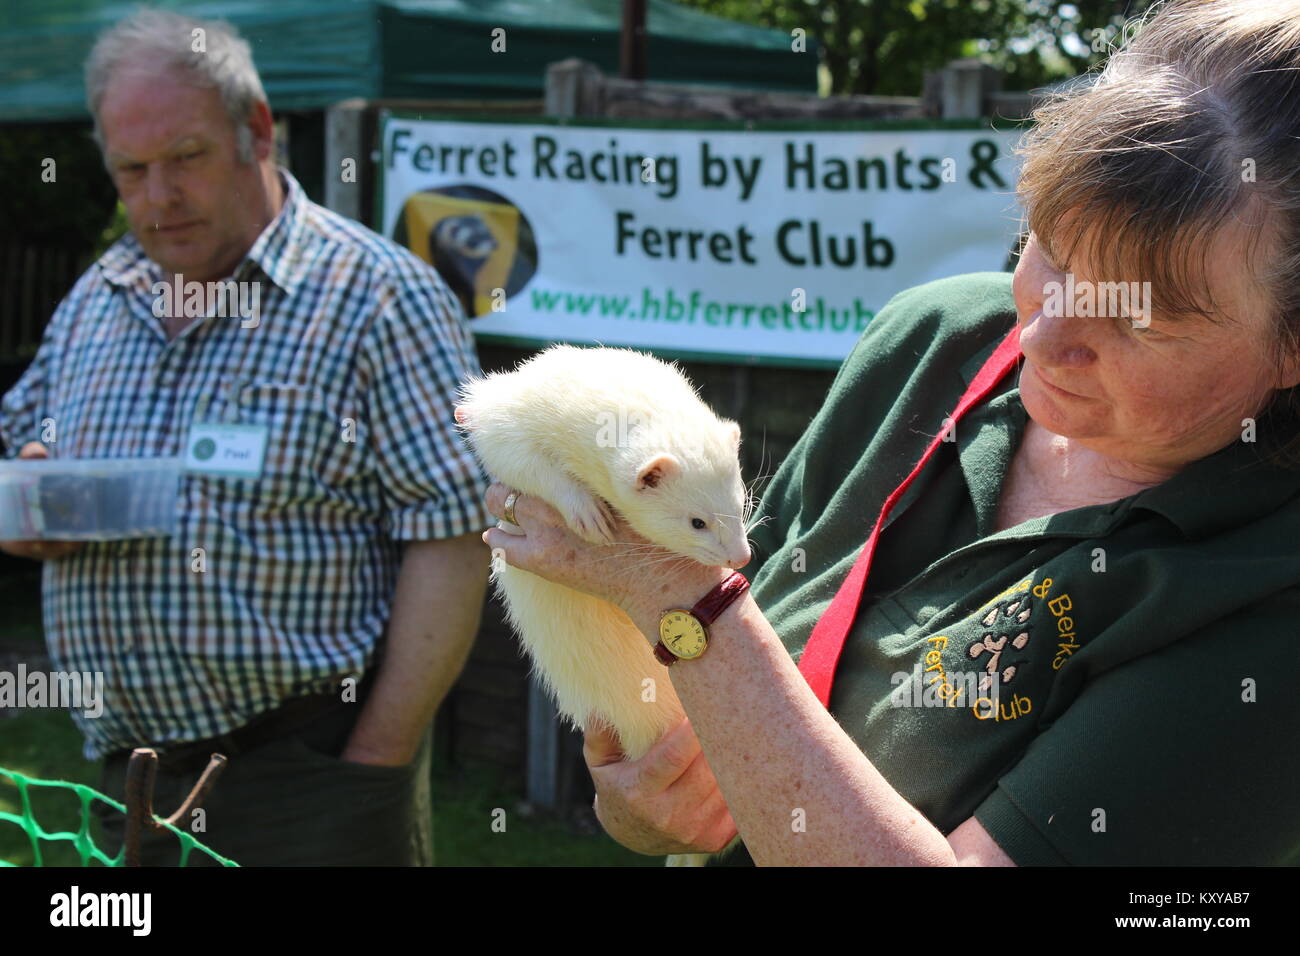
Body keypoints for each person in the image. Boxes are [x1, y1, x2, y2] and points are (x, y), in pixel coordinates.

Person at [480, 0, 1300, 865]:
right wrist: (645, 803)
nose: (1042, 335)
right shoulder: (933, 338)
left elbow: (716, 622)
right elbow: (718, 708)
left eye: (1140, 318)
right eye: (1052, 250)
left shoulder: (1267, 601)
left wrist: (681, 595)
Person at [0, 9, 493, 865]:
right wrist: (29, 496)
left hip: (304, 778)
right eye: (131, 170)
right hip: (126, 787)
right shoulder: (98, 297)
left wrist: (372, 760)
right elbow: (23, 453)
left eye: (185, 159)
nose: (159, 198)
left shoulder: (378, 297)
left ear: (256, 131)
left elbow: (453, 531)